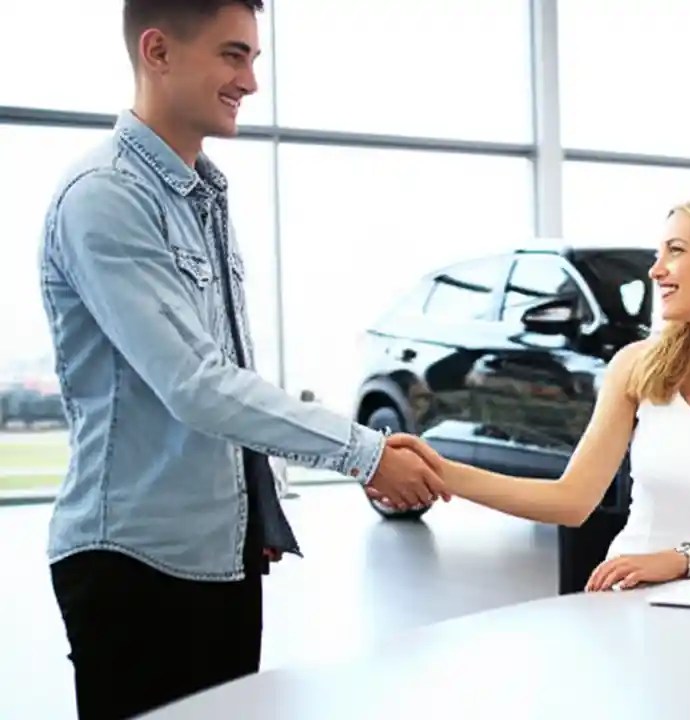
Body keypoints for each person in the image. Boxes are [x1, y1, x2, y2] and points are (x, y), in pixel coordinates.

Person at [38, 2, 446, 718]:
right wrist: (364, 453)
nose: (251, 81)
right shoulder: (104, 198)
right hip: (137, 567)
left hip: (215, 558)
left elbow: (226, 372)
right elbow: (196, 386)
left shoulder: (202, 194)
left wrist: (253, 512)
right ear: (157, 51)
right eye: (233, 55)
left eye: (253, 58)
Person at [378, 194, 690, 591]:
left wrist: (677, 561)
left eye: (675, 251)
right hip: (632, 592)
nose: (656, 270)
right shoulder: (637, 365)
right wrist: (441, 472)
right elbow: (571, 500)